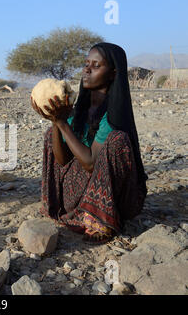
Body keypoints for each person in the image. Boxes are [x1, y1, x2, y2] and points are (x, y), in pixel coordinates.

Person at [31, 43, 148, 244]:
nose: (87, 69)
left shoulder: (113, 116)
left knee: (117, 141)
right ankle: (62, 207)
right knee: (52, 133)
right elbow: (62, 160)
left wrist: (62, 123)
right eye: (86, 64)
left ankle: (100, 221)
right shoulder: (78, 110)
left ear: (112, 73)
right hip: (79, 193)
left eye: (96, 65)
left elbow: (91, 163)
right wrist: (56, 122)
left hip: (115, 200)